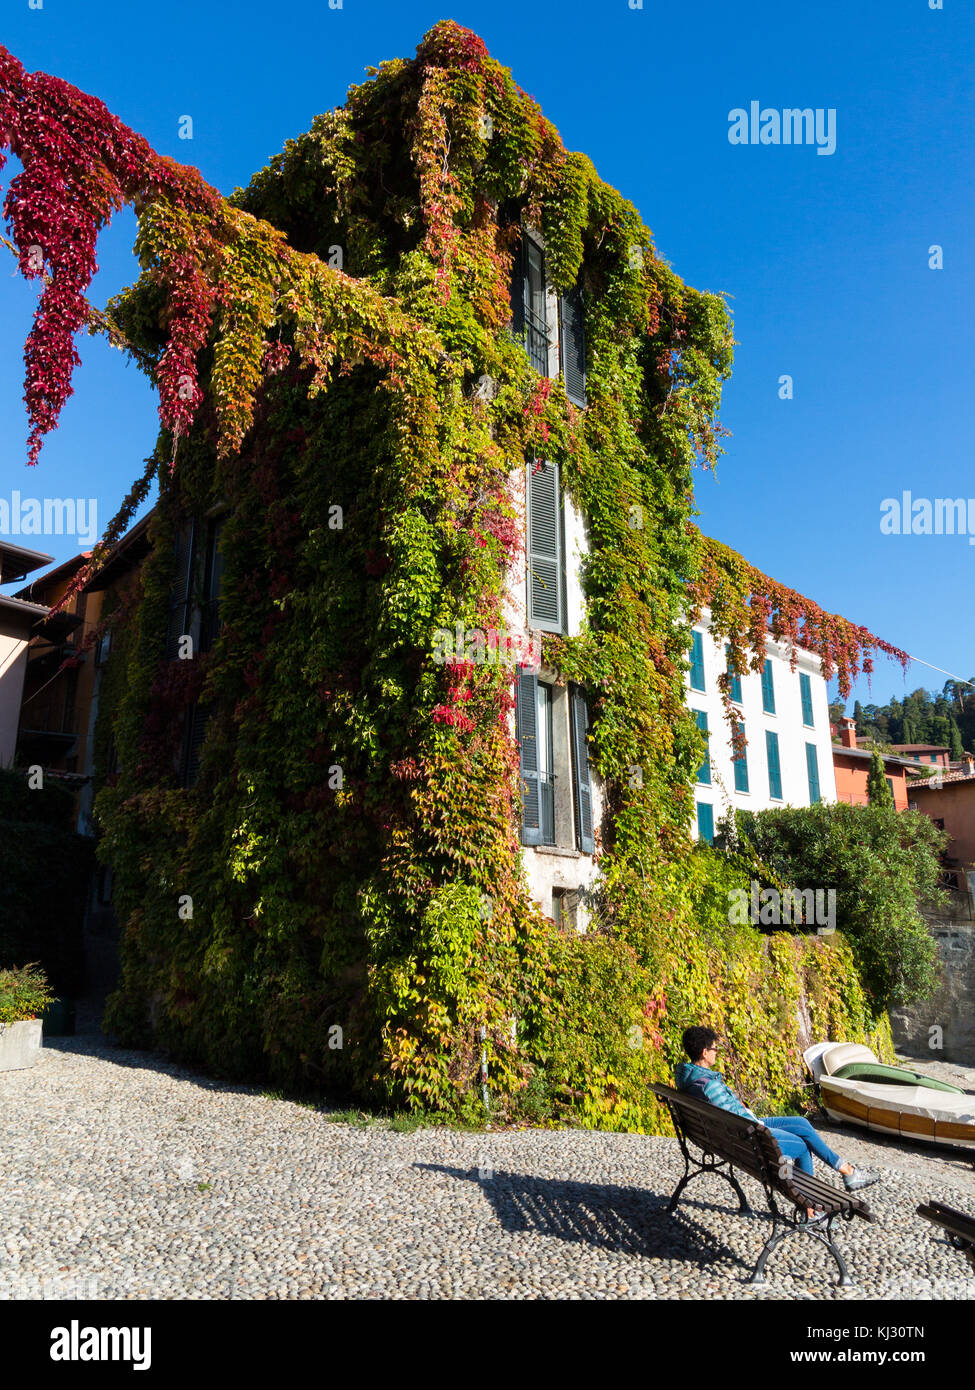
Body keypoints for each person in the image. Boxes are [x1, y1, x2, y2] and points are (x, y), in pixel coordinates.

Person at [675, 1026, 879, 1193]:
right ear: (704, 1053)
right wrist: (758, 1125)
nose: (716, 1053)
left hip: (739, 1130)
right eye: (714, 1049)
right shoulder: (709, 1086)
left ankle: (847, 1170)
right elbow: (736, 1119)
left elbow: (732, 1115)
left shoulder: (691, 1079)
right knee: (801, 1146)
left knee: (802, 1123)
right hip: (749, 1135)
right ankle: (810, 1205)